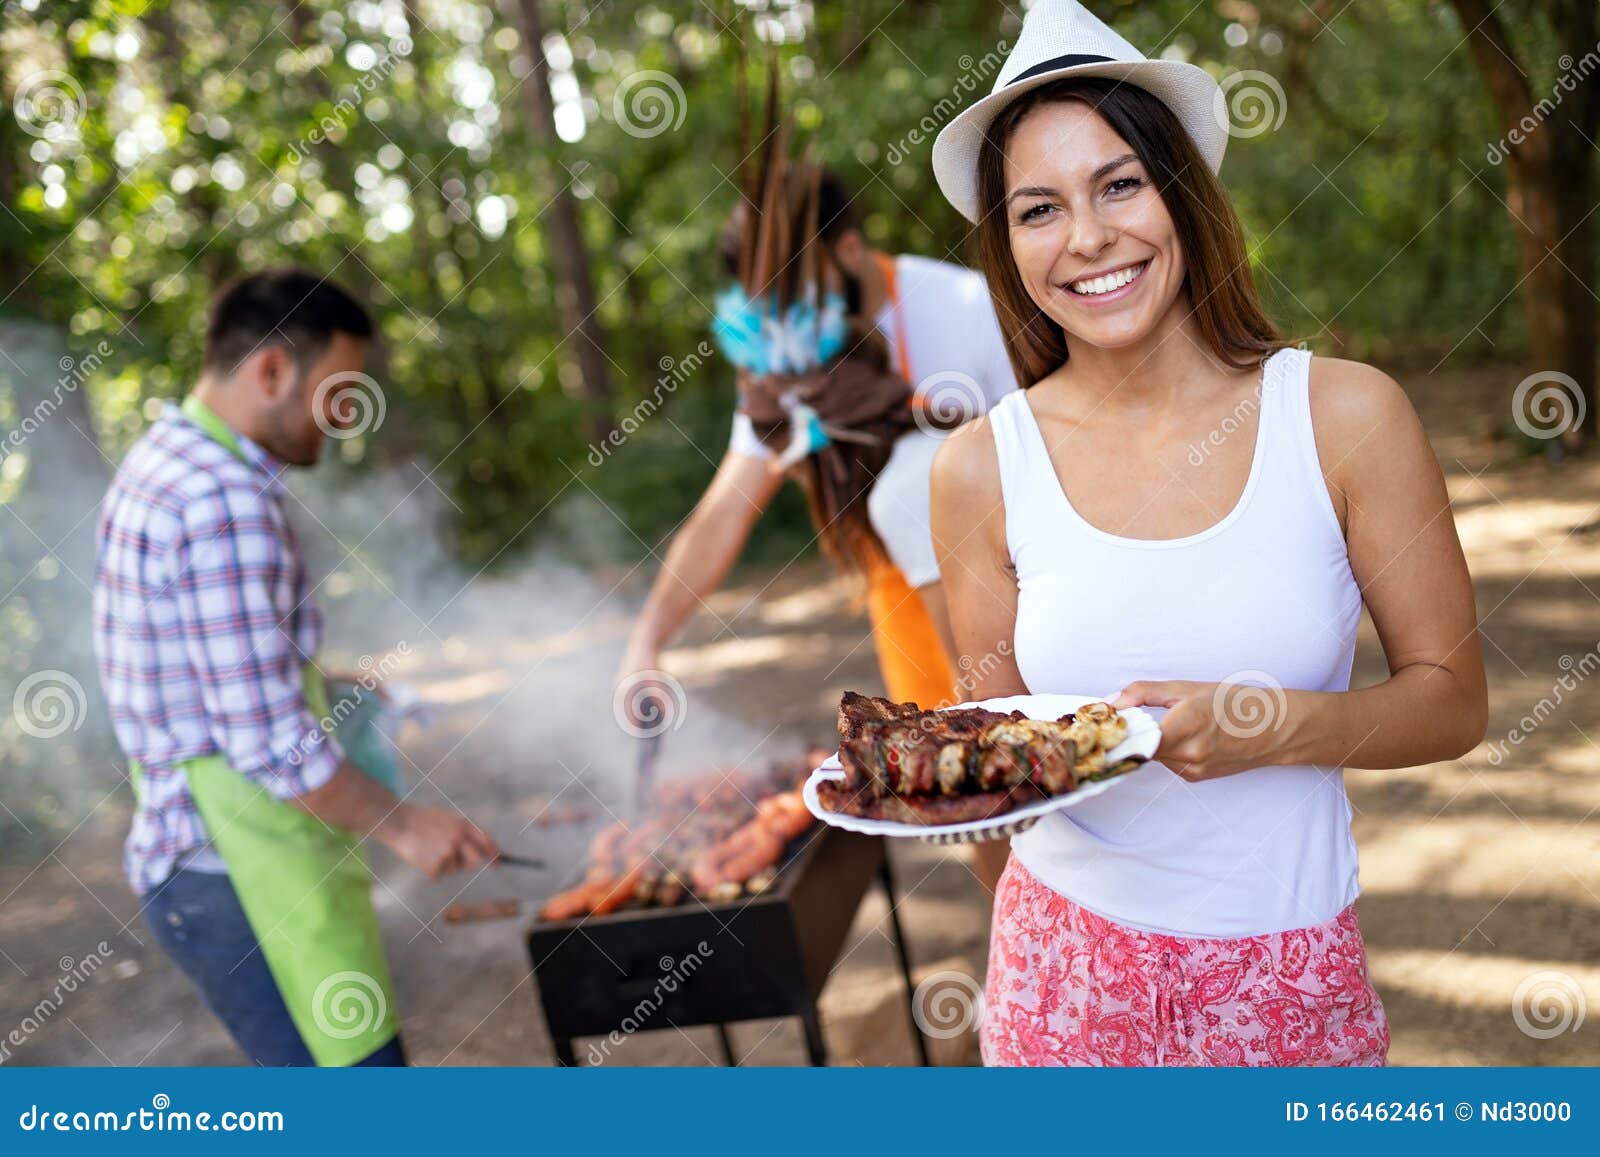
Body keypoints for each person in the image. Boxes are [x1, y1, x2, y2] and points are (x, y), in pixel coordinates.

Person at [928, 0, 1487, 1066]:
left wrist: (1270, 726)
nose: (1086, 238)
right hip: (1057, 984)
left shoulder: (1344, 417)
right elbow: (992, 752)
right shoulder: (977, 469)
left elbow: (1453, 700)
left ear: (1181, 193)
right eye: (1037, 209)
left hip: (1283, 983)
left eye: (1119, 185)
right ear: (1005, 243)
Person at [92, 269, 501, 1067]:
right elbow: (270, 743)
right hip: (237, 876)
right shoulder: (223, 499)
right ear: (273, 370)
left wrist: (335, 688)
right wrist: (409, 823)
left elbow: (209, 669)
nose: (345, 418)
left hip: (204, 868)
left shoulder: (166, 460)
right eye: (338, 390)